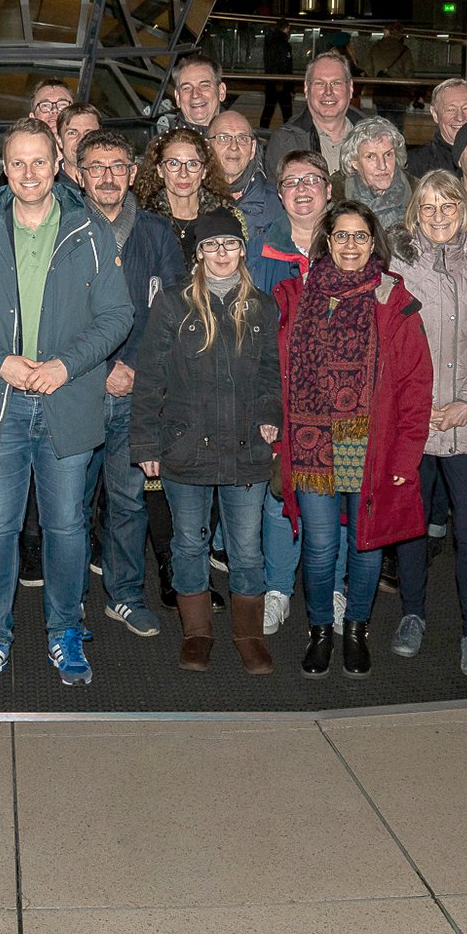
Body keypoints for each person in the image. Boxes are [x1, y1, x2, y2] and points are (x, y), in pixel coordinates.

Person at [0, 117, 133, 691]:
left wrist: (66, 365)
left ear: (58, 165)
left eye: (39, 161)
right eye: (17, 162)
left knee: (67, 525)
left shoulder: (89, 230)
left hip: (68, 398)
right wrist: (2, 362)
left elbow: (117, 315)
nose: (28, 173)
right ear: (4, 166)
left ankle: (65, 629)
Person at [275, 202, 430, 678]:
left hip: (363, 437)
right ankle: (321, 629)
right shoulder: (298, 294)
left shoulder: (392, 300)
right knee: (321, 545)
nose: (350, 245)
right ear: (326, 241)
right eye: (341, 235)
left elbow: (416, 385)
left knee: (366, 543)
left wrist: (405, 456)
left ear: (373, 243)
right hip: (311, 436)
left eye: (360, 236)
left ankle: (357, 628)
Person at [131, 213, 282, 674]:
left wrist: (270, 414)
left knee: (247, 548)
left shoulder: (262, 306)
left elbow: (271, 373)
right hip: (185, 445)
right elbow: (150, 379)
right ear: (197, 254)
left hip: (245, 447)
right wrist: (146, 444)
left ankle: (249, 635)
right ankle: (196, 633)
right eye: (211, 245)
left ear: (243, 251)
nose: (221, 254)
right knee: (187, 544)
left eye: (230, 245)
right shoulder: (173, 304)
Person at [388, 171, 467, 679]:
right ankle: (412, 614)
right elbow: (389, 344)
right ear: (415, 213)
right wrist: (417, 406)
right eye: (429, 207)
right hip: (414, 422)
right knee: (412, 528)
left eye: (448, 205)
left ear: (464, 210)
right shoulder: (397, 264)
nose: (439, 216)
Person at [74, 129, 184, 641]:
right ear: (78, 174)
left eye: (117, 166)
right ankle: (69, 599)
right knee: (70, 506)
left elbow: (174, 309)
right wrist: (103, 369)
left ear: (133, 172)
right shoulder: (62, 227)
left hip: (140, 391)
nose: (107, 177)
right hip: (78, 388)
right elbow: (56, 316)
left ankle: (125, 594)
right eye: (96, 167)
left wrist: (135, 368)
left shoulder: (158, 232)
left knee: (129, 500)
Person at [248, 149, 329, 634]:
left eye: (312, 180)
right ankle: (277, 589)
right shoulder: (260, 252)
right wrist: (263, 402)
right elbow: (249, 332)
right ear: (279, 195)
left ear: (329, 190)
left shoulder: (350, 244)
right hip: (278, 396)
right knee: (280, 495)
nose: (302, 189)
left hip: (340, 400)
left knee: (336, 494)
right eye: (292, 181)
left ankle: (333, 590)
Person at [138, 126, 243, 261]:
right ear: (160, 170)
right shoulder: (142, 221)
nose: (183, 174)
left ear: (204, 171)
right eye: (173, 163)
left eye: (193, 164)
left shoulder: (226, 218)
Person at [264, 48, 366, 175]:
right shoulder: (284, 142)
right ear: (306, 89)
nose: (328, 92)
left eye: (336, 83)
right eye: (319, 83)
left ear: (350, 88)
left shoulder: (375, 136)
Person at [207, 109, 280, 240]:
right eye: (223, 138)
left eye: (242, 138)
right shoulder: (191, 200)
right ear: (207, 146)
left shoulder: (277, 204)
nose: (234, 146)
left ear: (252, 149)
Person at [333, 115, 412, 234]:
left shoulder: (420, 195)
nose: (382, 165)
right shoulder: (335, 197)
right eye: (370, 156)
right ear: (354, 162)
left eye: (388, 154)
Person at [407, 78, 467, 179]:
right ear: (435, 114)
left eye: (466, 108)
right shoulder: (414, 165)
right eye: (451, 110)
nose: (460, 117)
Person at [165, 51, 230, 135]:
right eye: (187, 88)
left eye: (204, 86)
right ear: (177, 97)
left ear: (221, 91)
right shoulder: (166, 142)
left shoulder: (242, 137)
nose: (195, 95)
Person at [260, 18, 294, 128]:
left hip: (271, 81)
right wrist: (288, 84)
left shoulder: (270, 42)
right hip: (282, 82)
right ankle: (288, 133)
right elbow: (286, 65)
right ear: (286, 28)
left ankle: (262, 131)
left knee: (269, 109)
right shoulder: (284, 44)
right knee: (287, 111)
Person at [56, 101, 102, 177]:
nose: (81, 140)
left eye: (88, 133)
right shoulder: (47, 182)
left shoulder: (115, 180)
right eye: (72, 133)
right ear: (59, 140)